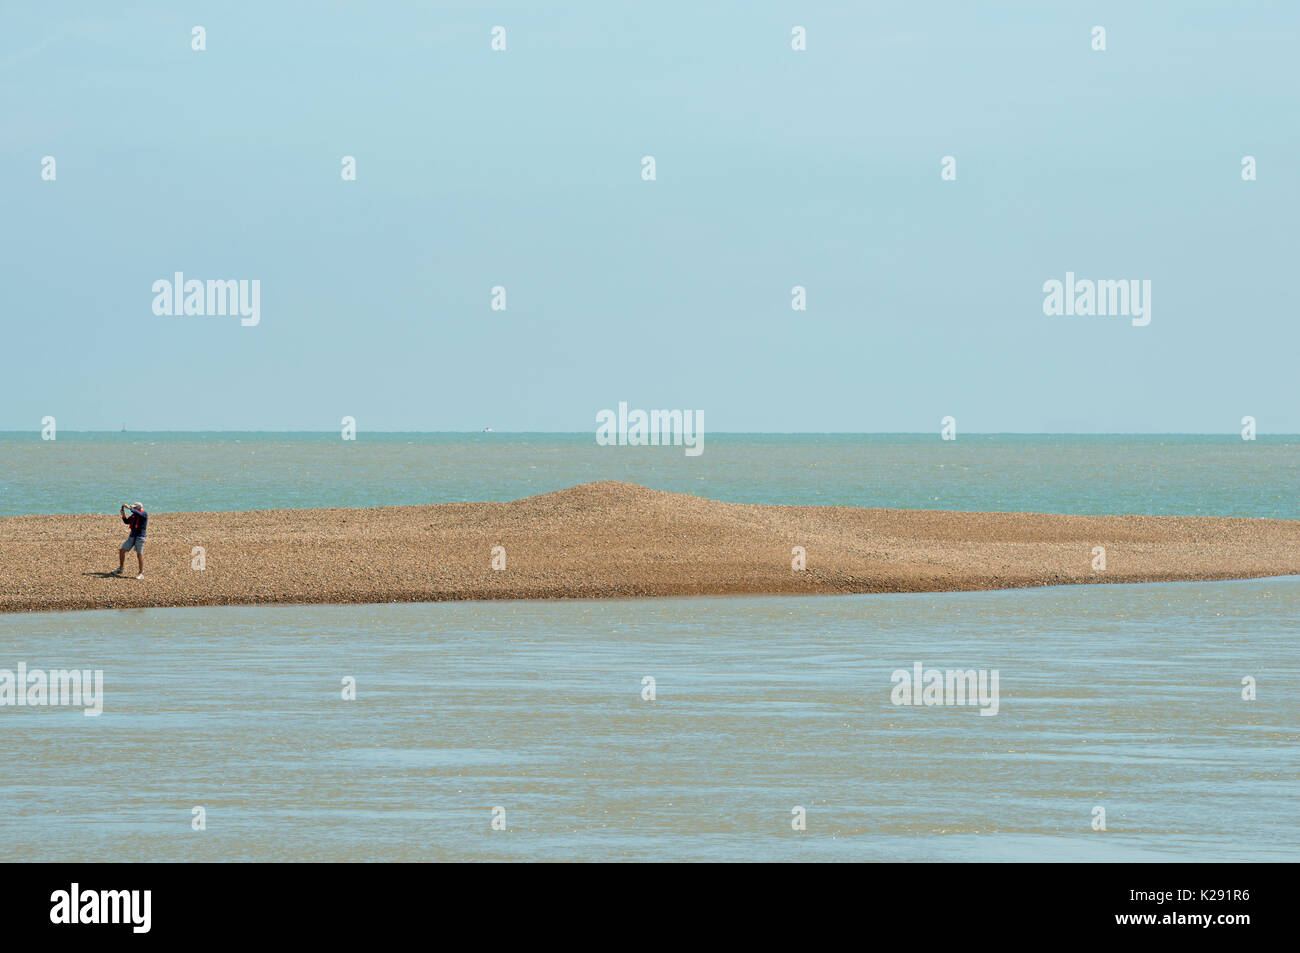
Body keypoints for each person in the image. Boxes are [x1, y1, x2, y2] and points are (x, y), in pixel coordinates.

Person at [114, 502, 148, 579]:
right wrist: (123, 514)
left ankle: (141, 573)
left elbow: (137, 513)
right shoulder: (134, 515)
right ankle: (121, 569)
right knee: (122, 551)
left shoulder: (144, 514)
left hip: (140, 537)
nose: (134, 509)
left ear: (139, 508)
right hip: (132, 536)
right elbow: (126, 521)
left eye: (135, 507)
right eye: (134, 508)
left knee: (139, 554)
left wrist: (129, 508)